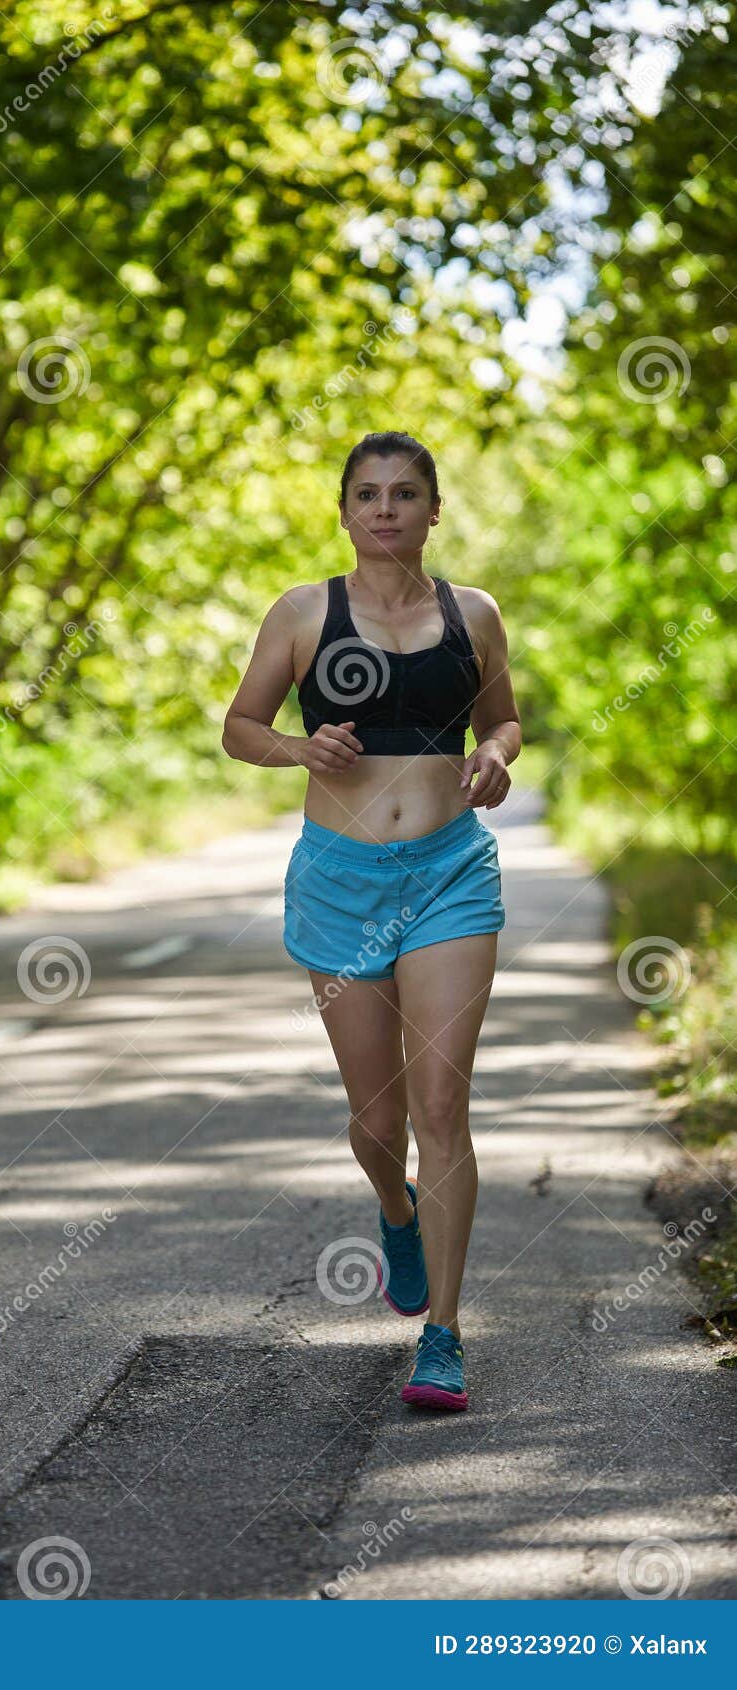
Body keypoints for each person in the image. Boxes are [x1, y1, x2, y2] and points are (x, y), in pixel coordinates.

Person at [221, 430, 521, 1412]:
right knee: (376, 1119)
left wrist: (495, 757)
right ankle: (393, 1208)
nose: (383, 508)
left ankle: (442, 1333)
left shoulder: (470, 614)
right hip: (340, 881)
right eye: (365, 494)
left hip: (449, 877)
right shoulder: (305, 612)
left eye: (403, 493)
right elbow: (239, 726)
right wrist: (300, 751)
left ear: (433, 510)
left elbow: (503, 720)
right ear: (344, 512)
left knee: (440, 1107)